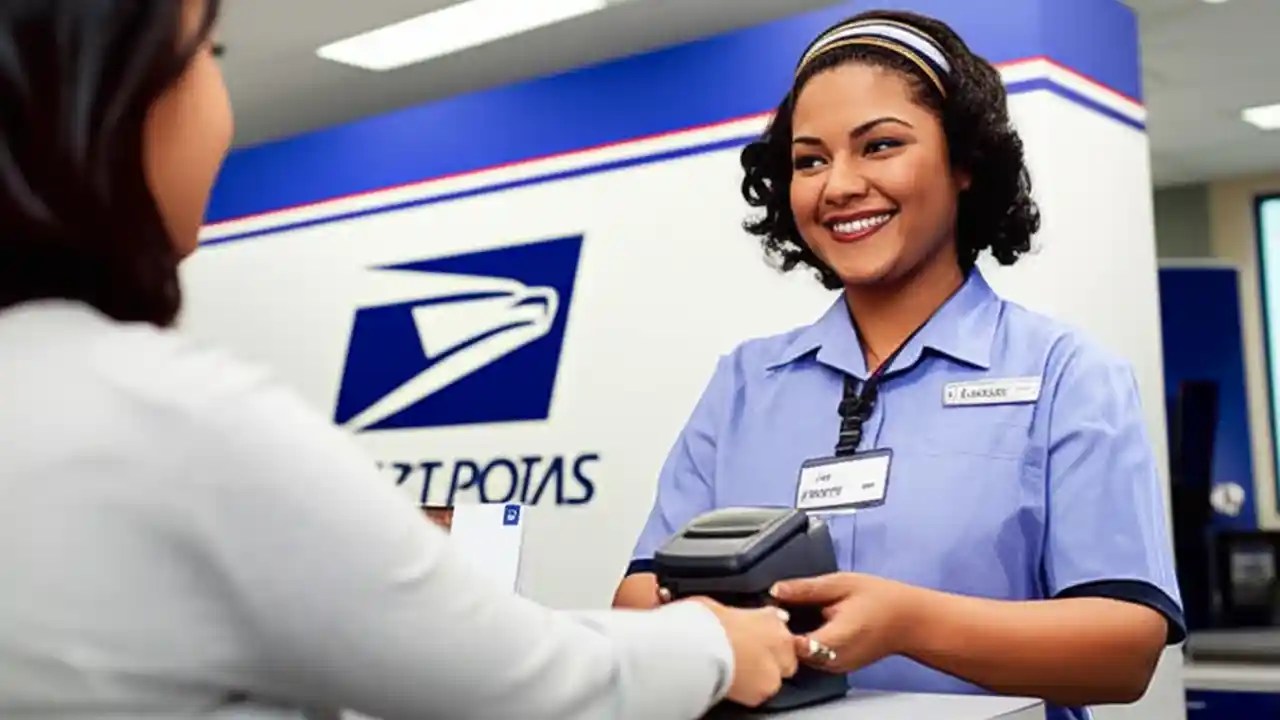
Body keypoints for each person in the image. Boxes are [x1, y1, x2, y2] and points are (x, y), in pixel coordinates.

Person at [0, 2, 800, 718]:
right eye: (208, 55)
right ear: (108, 95)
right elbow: (519, 682)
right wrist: (716, 643)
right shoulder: (181, 421)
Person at [613, 10, 1184, 720]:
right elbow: (639, 598)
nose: (839, 186)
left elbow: (1125, 650)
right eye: (810, 161)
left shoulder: (1066, 374)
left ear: (964, 163)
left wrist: (909, 623)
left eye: (880, 146)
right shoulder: (744, 383)